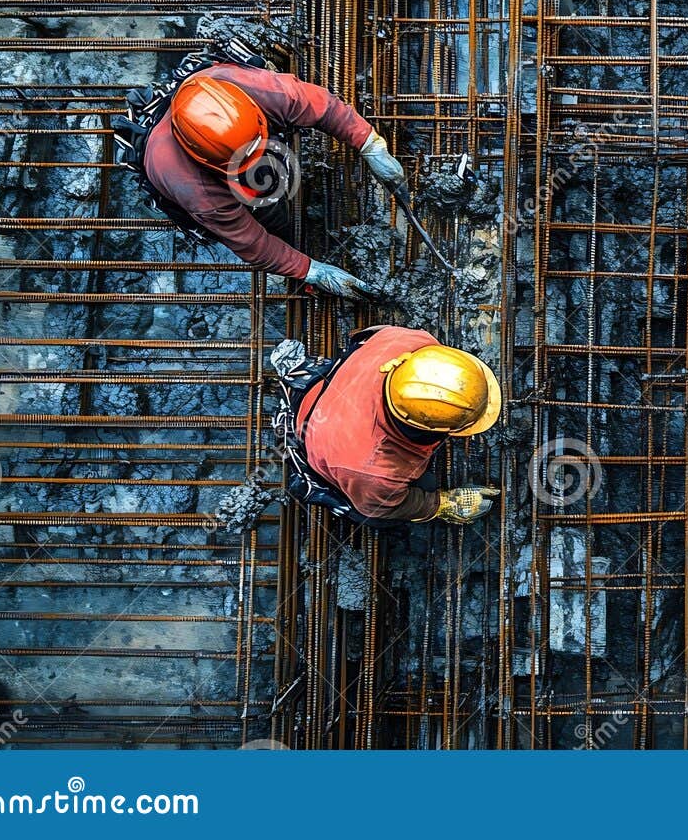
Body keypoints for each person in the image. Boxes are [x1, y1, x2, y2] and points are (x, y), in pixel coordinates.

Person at [143, 63, 407, 299]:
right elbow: (251, 242)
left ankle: (286, 206)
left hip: (222, 113)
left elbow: (323, 107)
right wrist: (310, 271)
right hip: (188, 184)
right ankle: (287, 234)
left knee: (274, 176)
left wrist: (370, 144)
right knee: (268, 219)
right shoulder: (196, 189)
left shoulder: (254, 91)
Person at [293, 325, 501, 525]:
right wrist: (440, 504)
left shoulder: (410, 342)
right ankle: (317, 488)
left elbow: (365, 336)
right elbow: (375, 506)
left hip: (336, 389)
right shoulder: (373, 471)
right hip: (318, 437)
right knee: (407, 496)